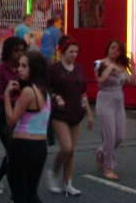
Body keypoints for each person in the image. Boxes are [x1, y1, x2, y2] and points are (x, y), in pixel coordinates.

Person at [4, 50, 56, 203]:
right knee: (31, 194)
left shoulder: (28, 91)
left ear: (34, 68)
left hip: (22, 145)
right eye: (19, 65)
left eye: (24, 66)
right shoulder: (44, 91)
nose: (19, 69)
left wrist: (7, 95)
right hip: (40, 146)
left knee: (19, 194)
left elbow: (11, 120)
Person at [45, 38, 94, 195]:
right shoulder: (54, 69)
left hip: (76, 112)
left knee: (72, 150)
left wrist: (89, 113)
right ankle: (53, 173)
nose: (74, 55)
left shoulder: (78, 68)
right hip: (60, 114)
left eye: (76, 52)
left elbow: (83, 92)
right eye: (71, 52)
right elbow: (45, 87)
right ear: (63, 52)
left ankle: (68, 182)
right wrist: (55, 97)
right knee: (66, 147)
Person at [94, 39, 136, 180]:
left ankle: (101, 152)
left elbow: (132, 81)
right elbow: (100, 79)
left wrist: (133, 66)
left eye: (118, 49)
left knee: (120, 136)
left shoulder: (121, 67)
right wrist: (110, 66)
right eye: (112, 47)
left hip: (118, 102)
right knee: (109, 135)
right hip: (105, 101)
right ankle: (109, 167)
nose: (114, 51)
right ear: (108, 48)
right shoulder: (99, 63)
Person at [0, 36, 27, 195]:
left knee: (19, 152)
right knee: (13, 151)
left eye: (22, 51)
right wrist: (17, 97)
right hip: (5, 115)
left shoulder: (25, 69)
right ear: (8, 51)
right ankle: (14, 189)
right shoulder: (0, 70)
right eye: (16, 51)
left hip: (23, 115)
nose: (19, 54)